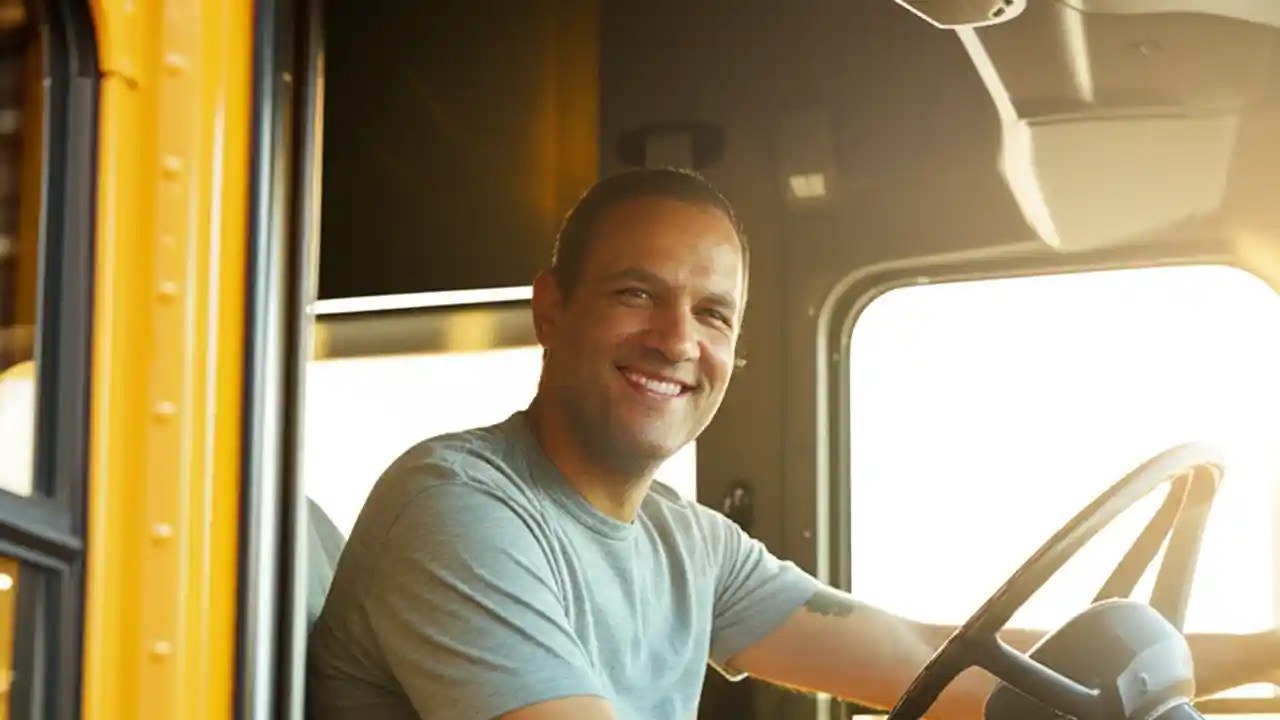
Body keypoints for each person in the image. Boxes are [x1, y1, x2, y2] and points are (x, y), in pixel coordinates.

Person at [307, 168, 1279, 720]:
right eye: (635, 293)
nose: (677, 340)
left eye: (712, 313)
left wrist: (1258, 654)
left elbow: (918, 655)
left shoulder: (684, 546)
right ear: (550, 309)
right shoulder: (459, 510)